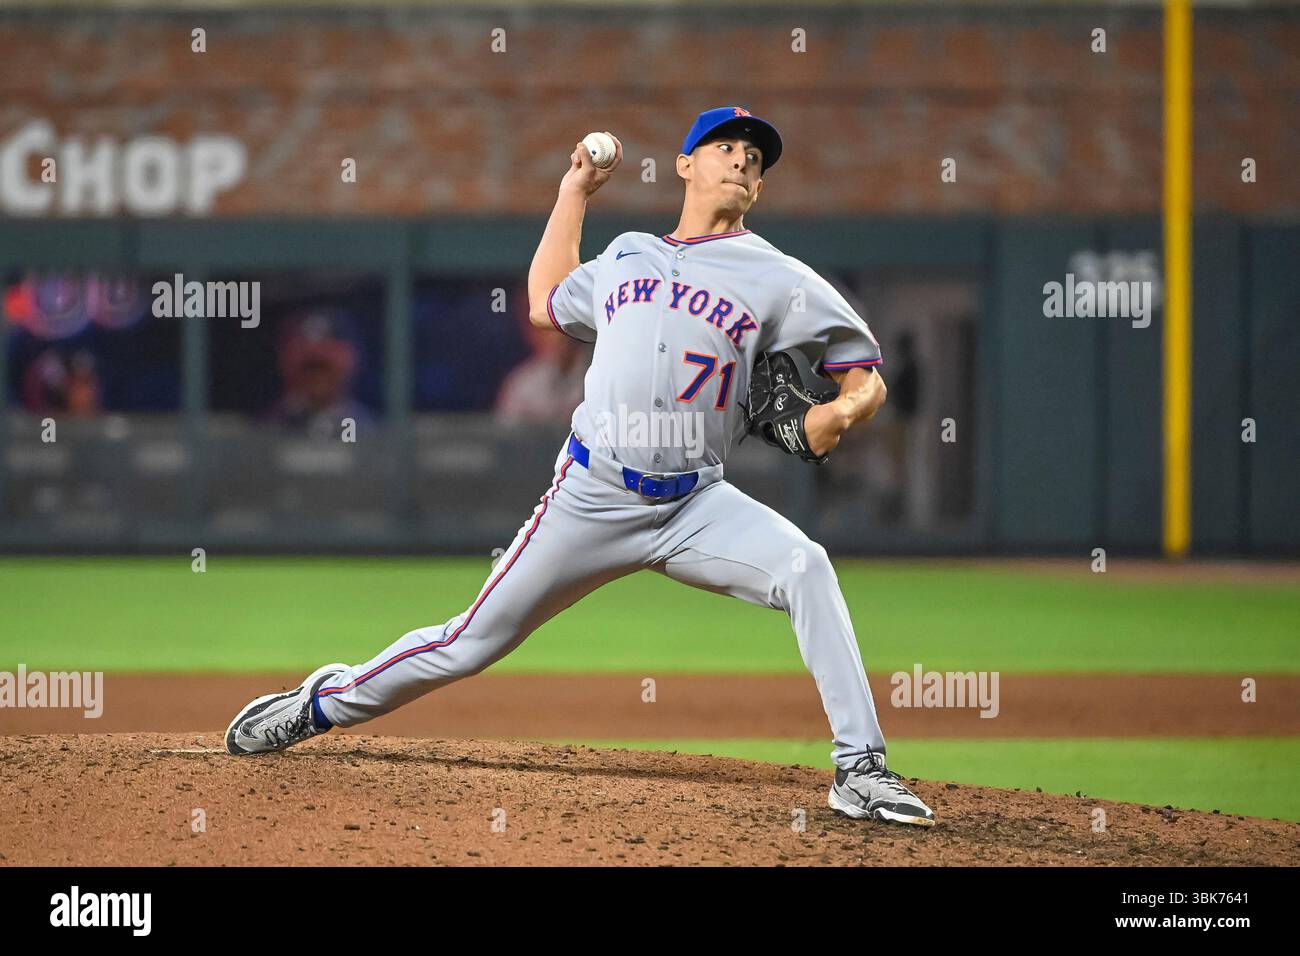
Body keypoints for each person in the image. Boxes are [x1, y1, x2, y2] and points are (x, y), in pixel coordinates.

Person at [224, 107, 935, 828]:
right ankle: (320, 704)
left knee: (807, 565)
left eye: (756, 157)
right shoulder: (627, 254)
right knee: (468, 643)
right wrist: (575, 192)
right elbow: (545, 303)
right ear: (686, 165)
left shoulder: (781, 279)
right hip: (591, 496)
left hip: (697, 504)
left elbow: (865, 371)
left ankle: (860, 769)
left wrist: (840, 414)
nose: (744, 162)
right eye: (726, 148)